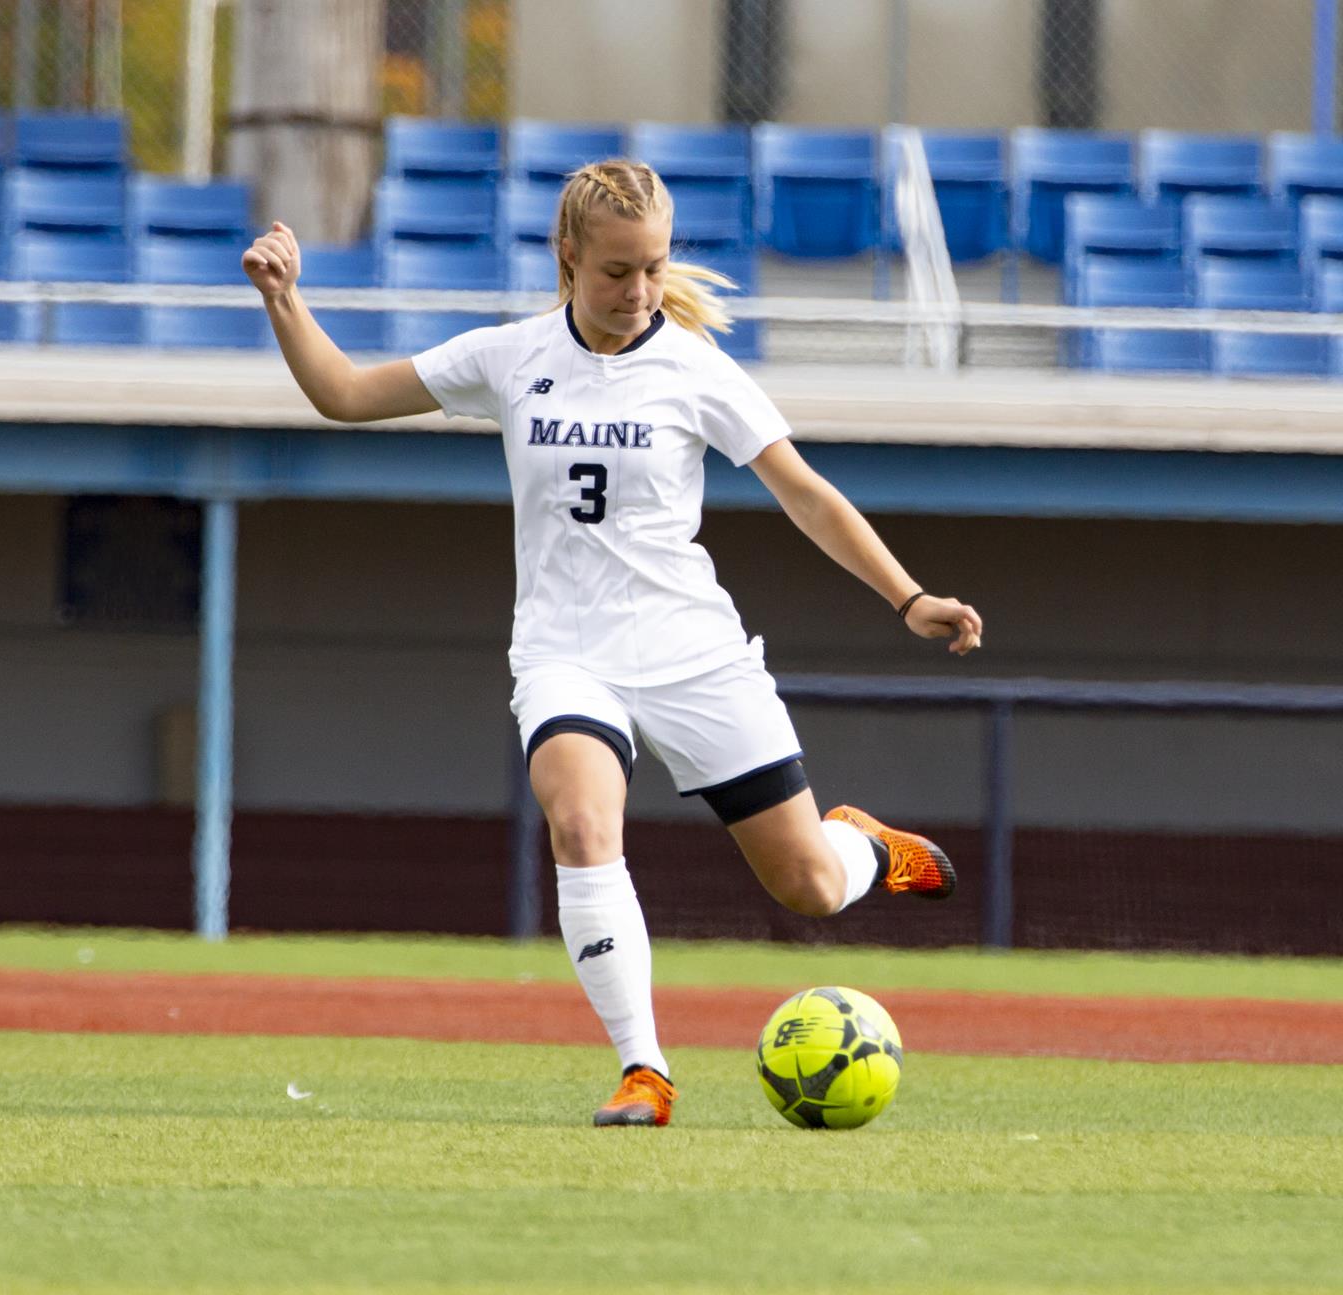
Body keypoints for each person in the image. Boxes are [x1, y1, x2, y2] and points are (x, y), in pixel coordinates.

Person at [242, 159, 984, 1129]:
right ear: (566, 258)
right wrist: (286, 302)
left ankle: (865, 846)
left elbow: (803, 491)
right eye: (615, 272)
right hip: (564, 656)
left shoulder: (695, 370)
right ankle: (644, 1068)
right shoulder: (508, 357)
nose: (637, 292)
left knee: (805, 885)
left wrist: (908, 596)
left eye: (651, 269)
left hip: (691, 652)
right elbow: (342, 393)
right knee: (583, 827)